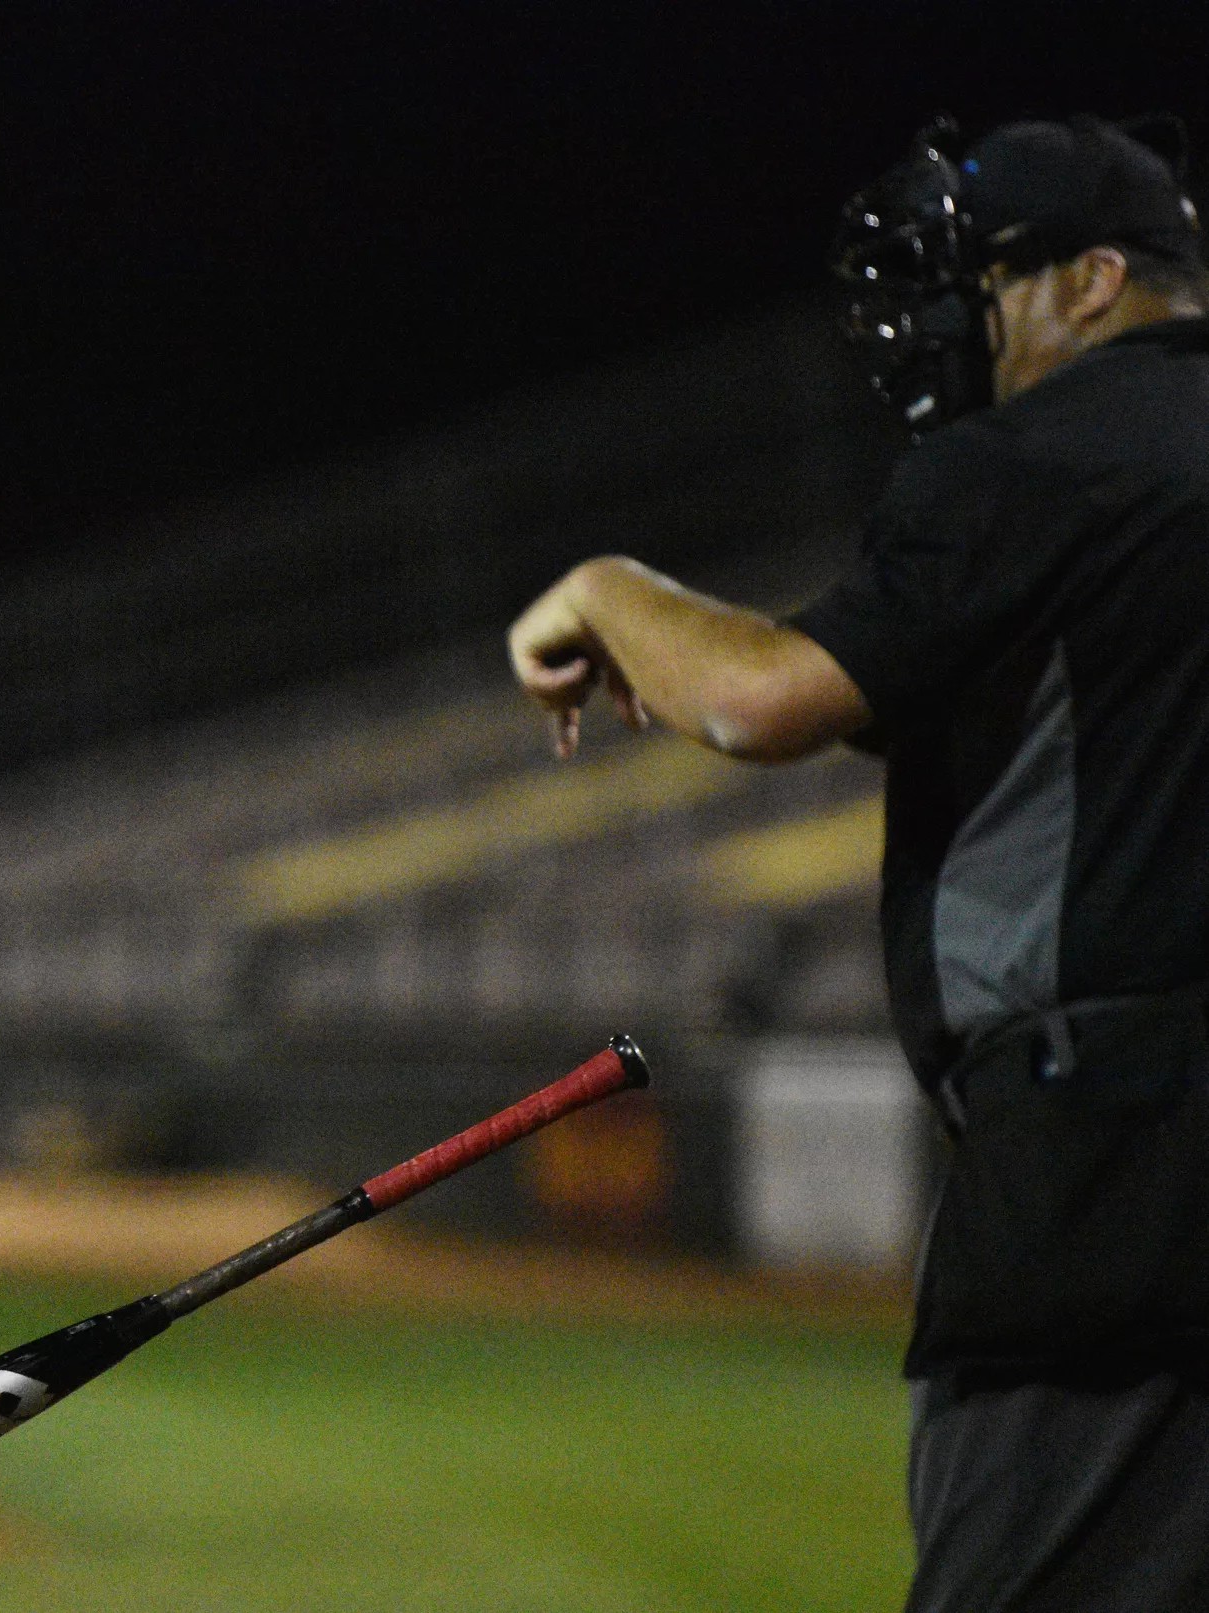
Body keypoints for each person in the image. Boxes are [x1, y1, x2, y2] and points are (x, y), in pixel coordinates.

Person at [507, 114, 1209, 1610]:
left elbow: (760, 696)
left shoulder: (1041, 455)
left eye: (988, 284)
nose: (958, 326)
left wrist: (606, 588)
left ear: (1093, 282)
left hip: (1120, 1195)